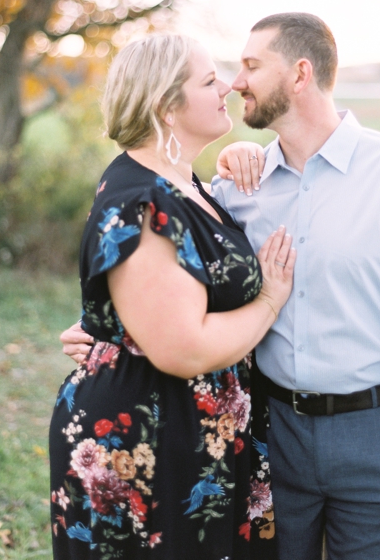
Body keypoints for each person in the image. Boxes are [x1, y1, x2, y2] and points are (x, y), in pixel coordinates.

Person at [63, 12, 380, 558]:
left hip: (379, 436)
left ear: (300, 75)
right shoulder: (233, 189)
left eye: (251, 65)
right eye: (222, 75)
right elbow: (165, 275)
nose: (235, 81)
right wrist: (107, 331)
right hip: (273, 440)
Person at [49, 34, 296, 558]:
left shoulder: (184, 183)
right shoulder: (141, 199)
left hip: (192, 435)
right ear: (165, 105)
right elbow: (183, 349)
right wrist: (269, 301)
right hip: (147, 445)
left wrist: (247, 154)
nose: (228, 85)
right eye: (209, 81)